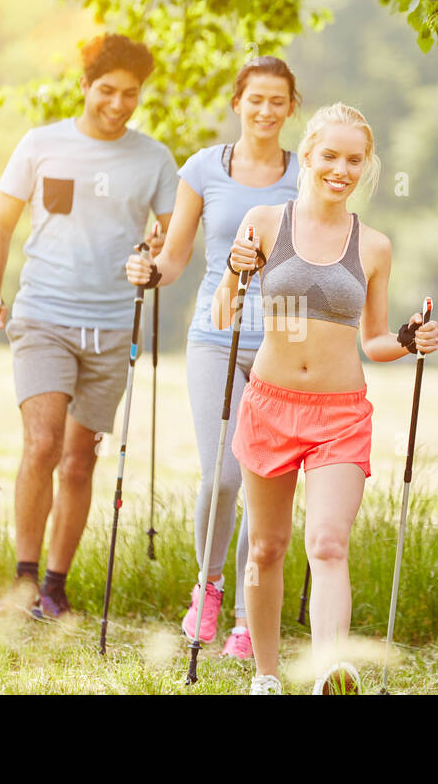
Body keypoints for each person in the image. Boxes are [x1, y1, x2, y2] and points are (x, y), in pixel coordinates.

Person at [215, 103, 438, 695]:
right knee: (265, 549)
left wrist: (409, 339)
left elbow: (373, 340)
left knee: (327, 542)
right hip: (269, 403)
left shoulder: (374, 246)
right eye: (330, 156)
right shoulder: (264, 222)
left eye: (354, 160)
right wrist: (235, 275)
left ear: (366, 167)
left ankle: (330, 674)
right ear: (308, 155)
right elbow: (223, 314)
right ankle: (266, 675)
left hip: (340, 414)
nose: (340, 169)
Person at [0, 33, 177, 620]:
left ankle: (55, 589)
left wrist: (157, 251)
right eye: (107, 91)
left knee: (81, 460)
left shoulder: (154, 159)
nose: (118, 104)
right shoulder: (42, 145)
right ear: (84, 85)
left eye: (131, 95)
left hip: (114, 326)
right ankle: (23, 579)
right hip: (44, 316)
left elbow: (172, 238)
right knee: (41, 445)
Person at [125, 57, 301, 658]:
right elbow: (174, 259)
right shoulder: (204, 167)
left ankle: (253, 619)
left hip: (284, 345)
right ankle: (209, 586)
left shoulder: (306, 176)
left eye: (278, 100)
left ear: (291, 108)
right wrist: (149, 272)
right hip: (215, 334)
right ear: (237, 103)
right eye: (256, 99)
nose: (266, 110)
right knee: (223, 476)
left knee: (267, 485)